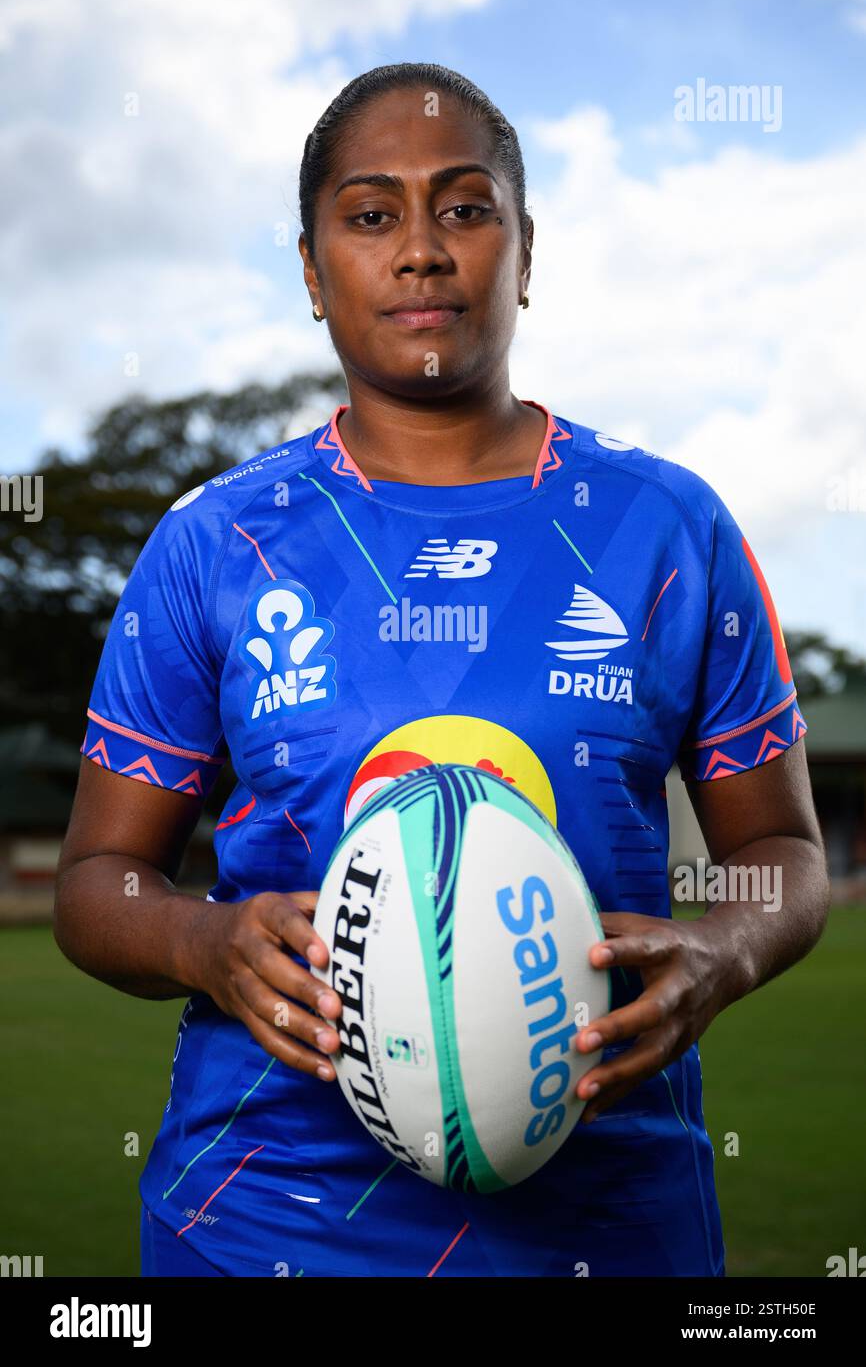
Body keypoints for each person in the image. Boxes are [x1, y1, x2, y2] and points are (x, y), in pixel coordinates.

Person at [55, 62, 829, 1278]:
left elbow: (780, 854)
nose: (421, 251)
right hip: (263, 1226)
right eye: (370, 216)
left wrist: (719, 956)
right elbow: (99, 879)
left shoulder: (665, 526)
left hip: (611, 1225)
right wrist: (203, 945)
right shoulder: (216, 540)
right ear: (313, 272)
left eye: (465, 208)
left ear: (524, 253)